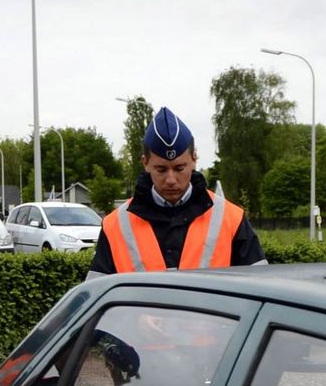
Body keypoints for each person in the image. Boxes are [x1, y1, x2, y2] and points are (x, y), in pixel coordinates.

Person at [88, 107, 266, 278]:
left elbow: (258, 288)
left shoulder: (231, 219)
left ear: (194, 159)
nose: (171, 179)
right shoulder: (115, 226)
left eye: (179, 168)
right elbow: (97, 293)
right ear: (145, 163)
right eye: (161, 169)